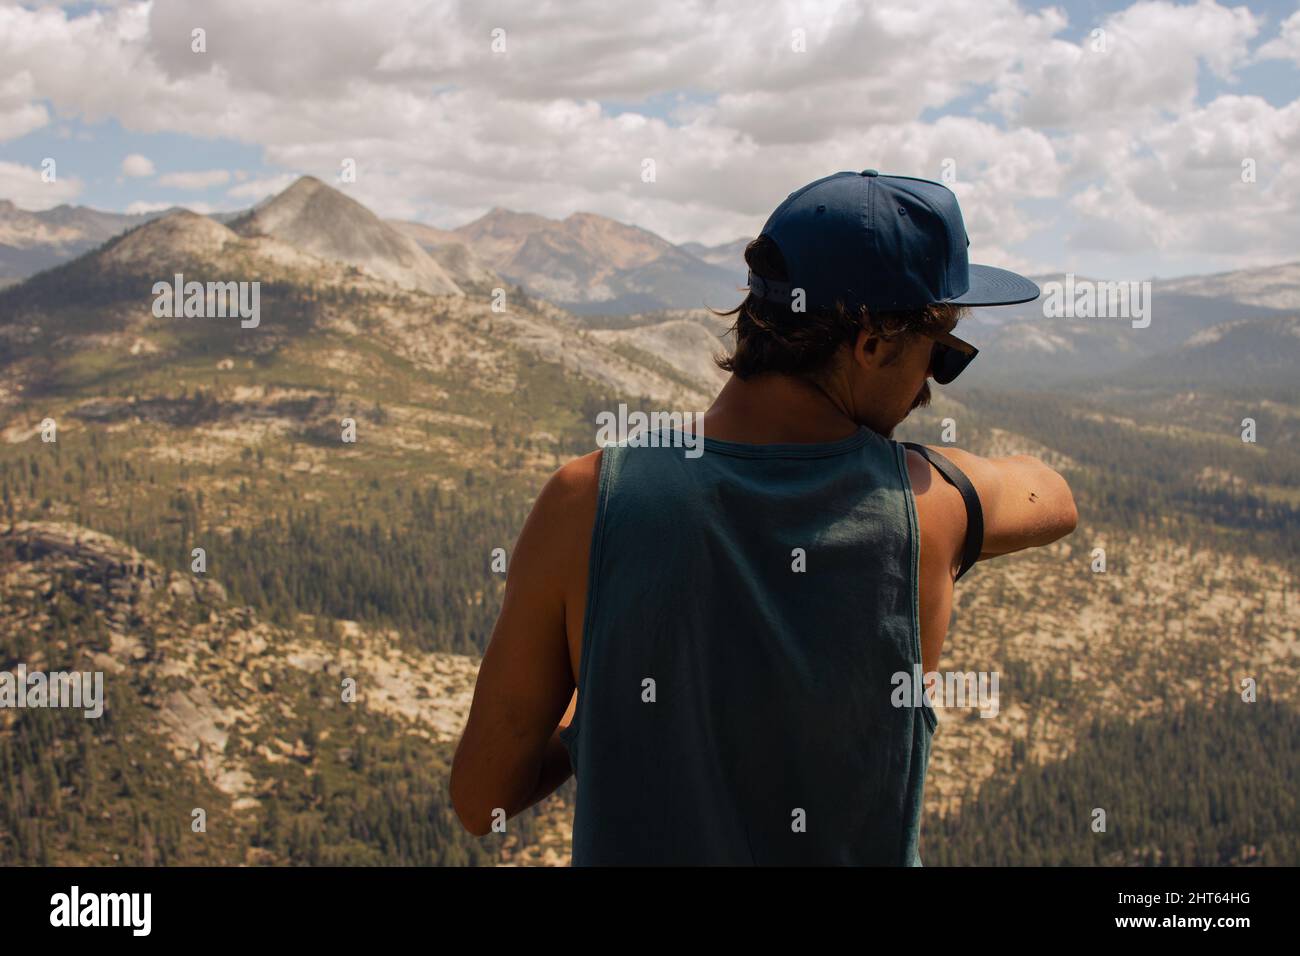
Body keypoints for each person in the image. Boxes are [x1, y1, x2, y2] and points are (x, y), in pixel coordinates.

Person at [450, 170, 1078, 865]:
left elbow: (483, 801)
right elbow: (1053, 497)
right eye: (941, 354)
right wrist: (916, 472)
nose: (931, 383)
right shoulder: (937, 508)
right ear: (871, 343)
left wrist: (586, 706)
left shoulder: (585, 498)